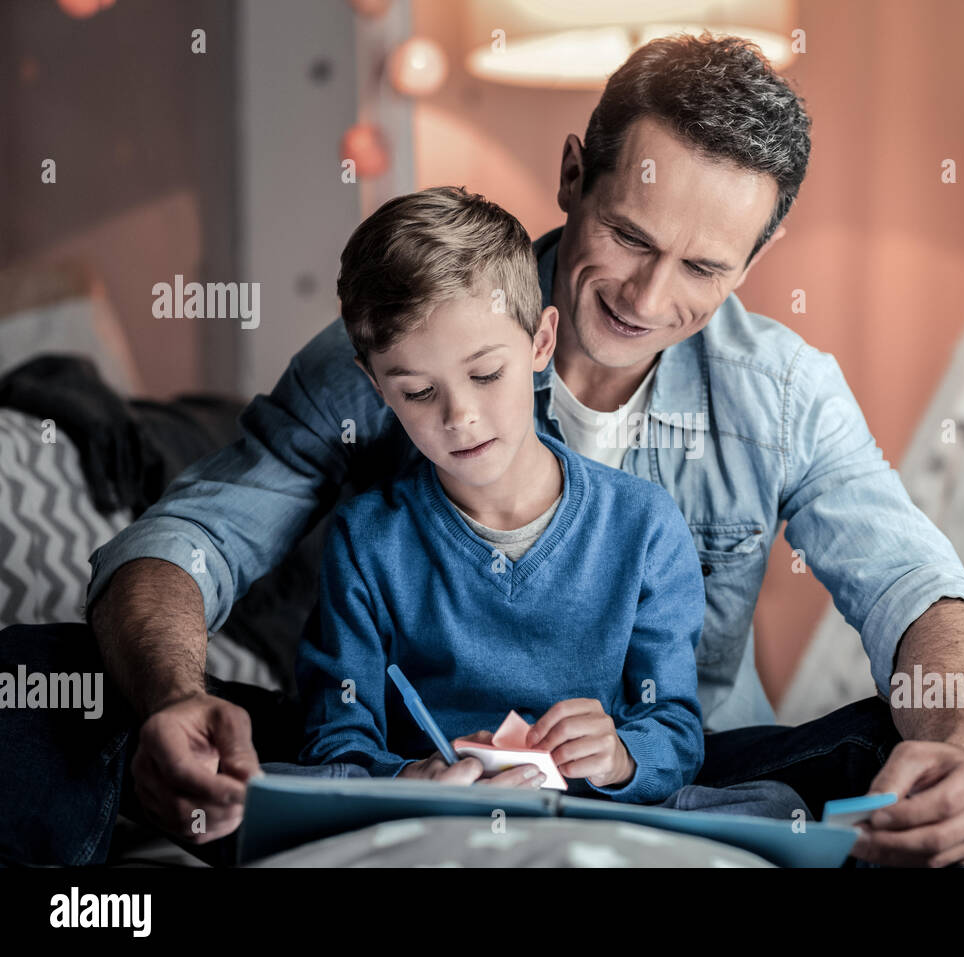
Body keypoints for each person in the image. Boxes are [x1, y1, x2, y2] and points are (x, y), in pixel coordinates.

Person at [1, 32, 964, 868]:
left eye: (703, 267)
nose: (645, 297)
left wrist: (952, 751)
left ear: (757, 260)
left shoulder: (784, 394)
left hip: (683, 773)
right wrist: (177, 701)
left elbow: (920, 592)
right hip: (407, 762)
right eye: (630, 237)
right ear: (573, 174)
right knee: (53, 679)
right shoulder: (400, 346)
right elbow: (189, 544)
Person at [267, 184, 803, 824]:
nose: (460, 418)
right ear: (376, 385)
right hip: (439, 824)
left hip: (595, 817)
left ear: (542, 342)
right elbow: (339, 745)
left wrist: (620, 756)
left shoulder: (643, 525)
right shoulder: (367, 539)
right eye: (416, 391)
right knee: (257, 786)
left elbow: (674, 732)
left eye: (487, 374)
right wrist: (415, 778)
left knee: (776, 804)